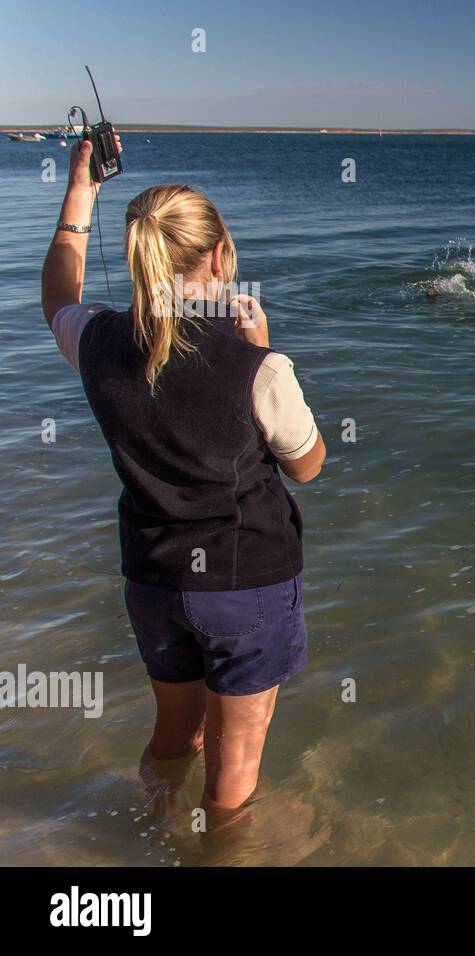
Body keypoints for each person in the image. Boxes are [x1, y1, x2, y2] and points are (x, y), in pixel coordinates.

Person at [41, 136, 326, 810]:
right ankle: (212, 858)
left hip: (154, 580)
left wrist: (82, 187)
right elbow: (308, 466)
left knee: (175, 738)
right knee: (234, 774)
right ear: (222, 256)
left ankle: (151, 829)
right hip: (244, 587)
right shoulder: (260, 368)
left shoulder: (98, 342)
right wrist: (262, 353)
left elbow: (58, 296)